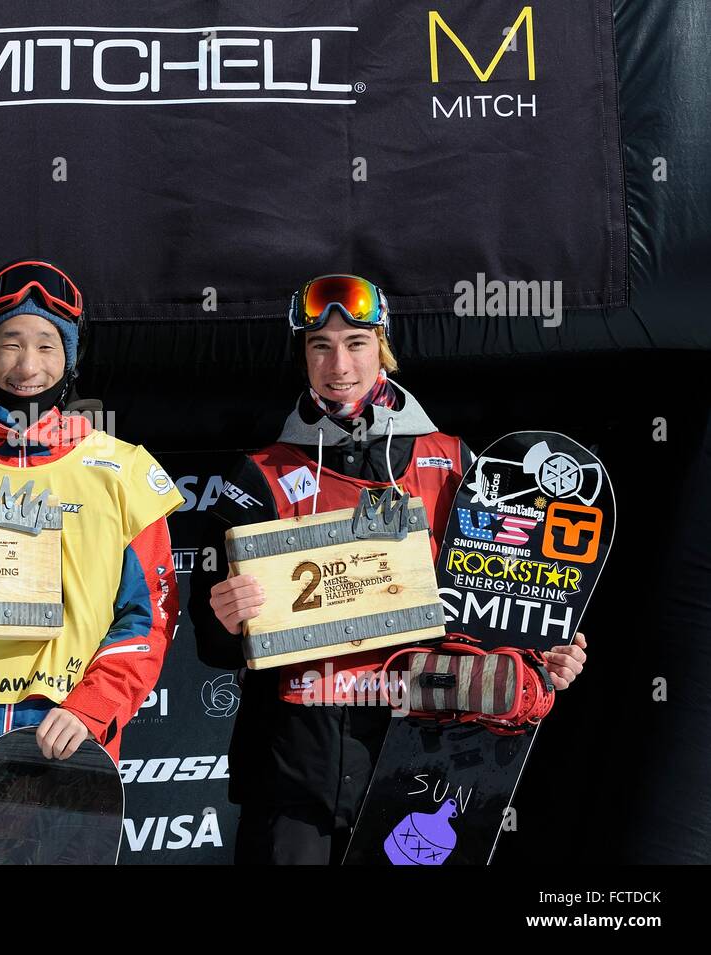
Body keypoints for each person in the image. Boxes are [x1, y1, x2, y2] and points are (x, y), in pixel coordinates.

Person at [188, 273, 588, 864]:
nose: (338, 364)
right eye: (319, 346)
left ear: (383, 347)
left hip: (425, 764)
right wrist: (225, 614)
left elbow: (501, 599)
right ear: (302, 356)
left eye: (355, 342)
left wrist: (544, 649)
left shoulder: (454, 463)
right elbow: (214, 642)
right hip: (298, 777)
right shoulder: (261, 475)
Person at [0, 259, 184, 864]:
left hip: (64, 748)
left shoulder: (122, 468)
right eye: (10, 344)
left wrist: (91, 708)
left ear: (69, 358)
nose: (27, 366)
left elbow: (147, 618)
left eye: (47, 345)